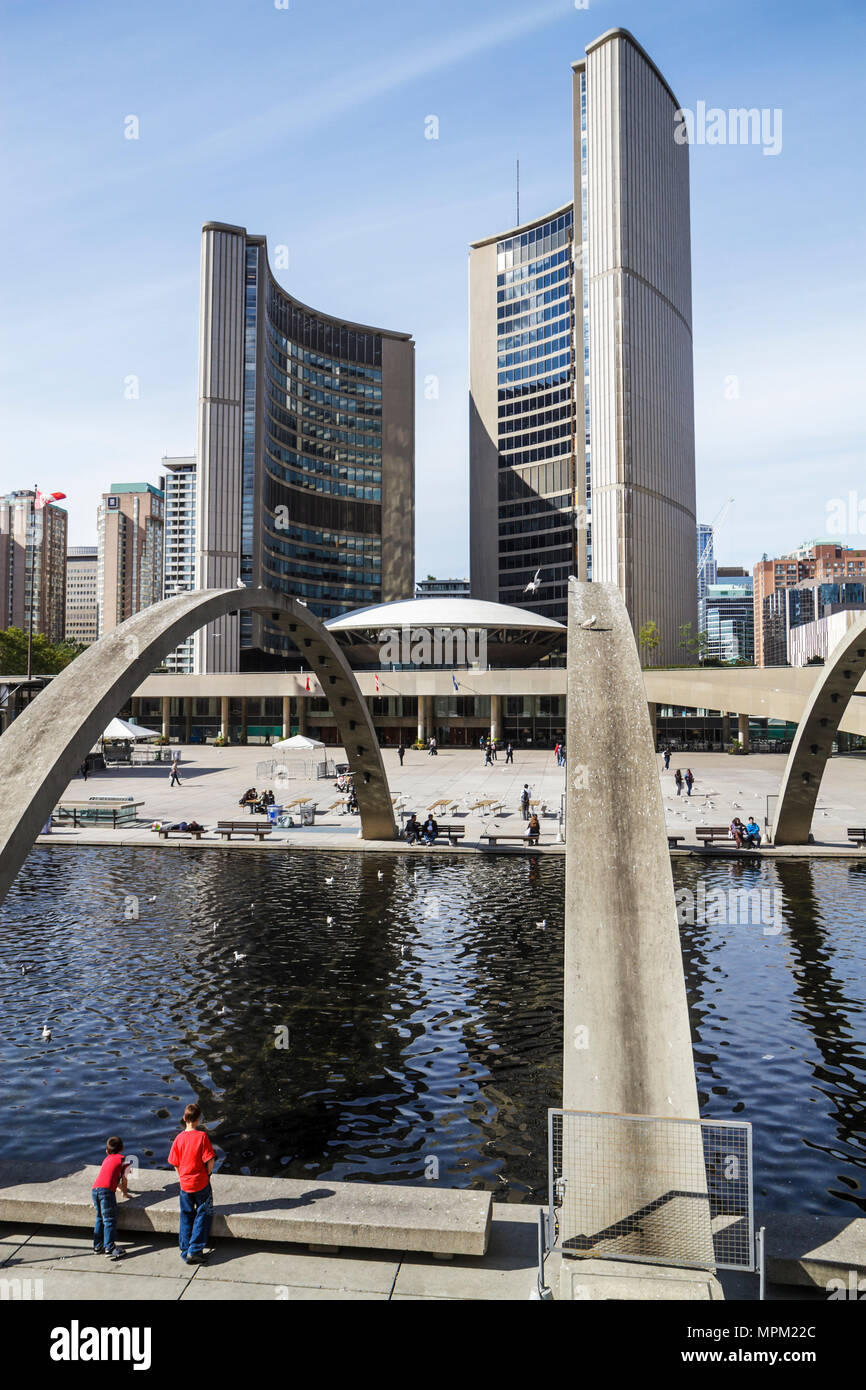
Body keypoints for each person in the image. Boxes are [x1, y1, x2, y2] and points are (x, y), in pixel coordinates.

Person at [167, 1103, 216, 1266]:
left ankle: (184, 1249)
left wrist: (181, 1176)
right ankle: (195, 1250)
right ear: (198, 1119)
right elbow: (210, 1160)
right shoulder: (202, 1137)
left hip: (185, 1185)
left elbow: (175, 1163)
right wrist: (208, 1174)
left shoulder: (179, 1138)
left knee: (186, 1215)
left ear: (184, 1118)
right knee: (203, 1213)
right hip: (201, 1183)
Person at [91, 1135, 132, 1259]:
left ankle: (97, 1246)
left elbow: (111, 1179)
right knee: (109, 1220)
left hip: (95, 1190)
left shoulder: (106, 1159)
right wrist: (124, 1192)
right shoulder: (124, 1160)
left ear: (107, 1151)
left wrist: (118, 1188)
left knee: (100, 1218)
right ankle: (110, 1247)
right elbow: (123, 1179)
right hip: (106, 1192)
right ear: (122, 1148)